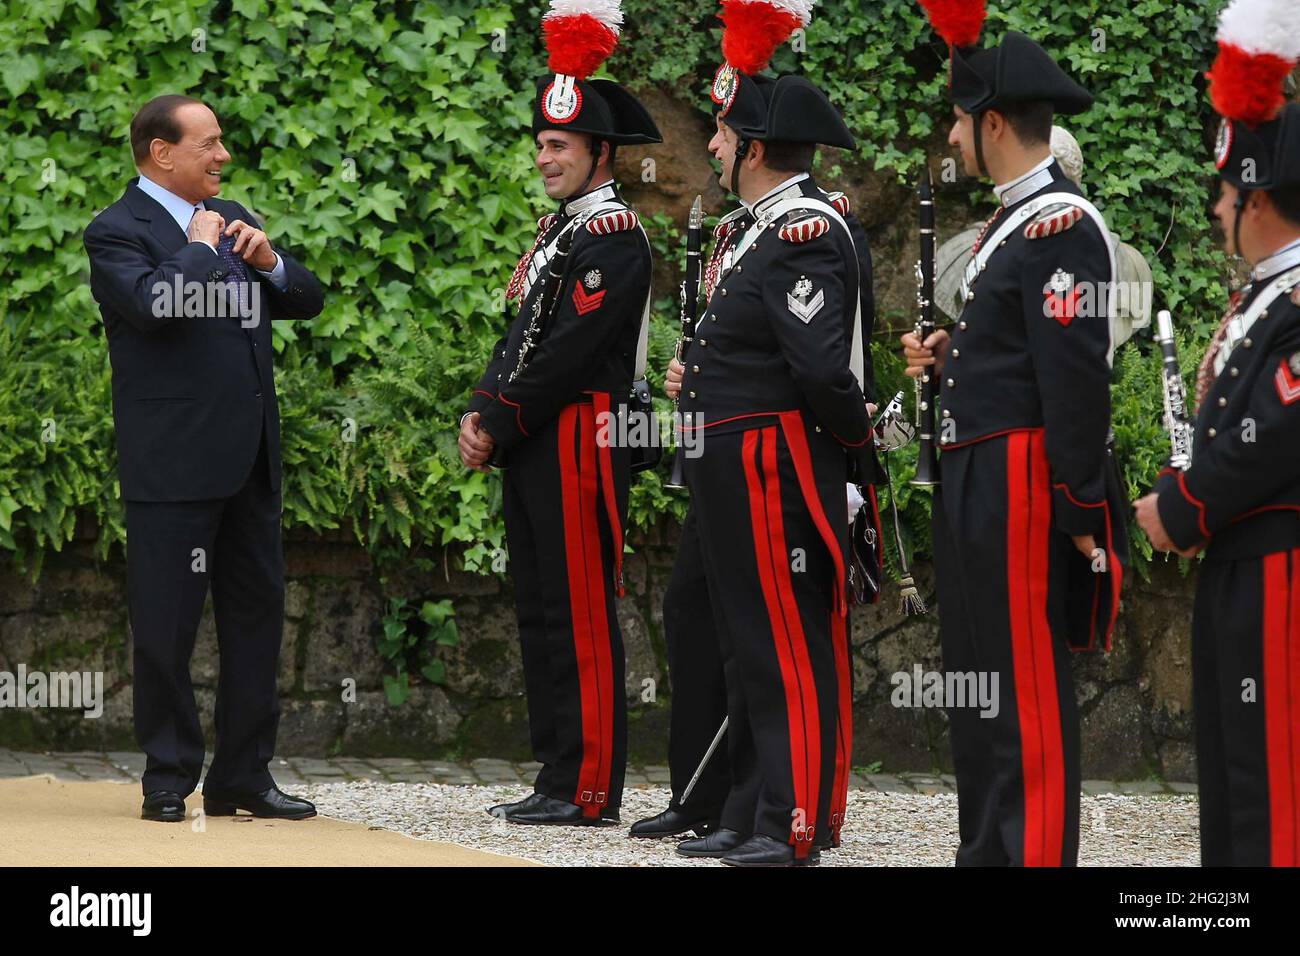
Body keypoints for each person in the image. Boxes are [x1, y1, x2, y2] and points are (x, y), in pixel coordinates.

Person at [632, 11, 881, 854]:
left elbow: (819, 372)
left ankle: (793, 821)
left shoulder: (806, 231)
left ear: (758, 146)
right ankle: (748, 808)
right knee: (746, 650)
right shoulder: (760, 232)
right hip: (734, 461)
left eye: (724, 132)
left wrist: (857, 456)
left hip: (775, 462)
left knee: (783, 649)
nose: (710, 145)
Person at [900, 1, 1127, 866]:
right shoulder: (1012, 223)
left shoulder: (1060, 224)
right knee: (981, 680)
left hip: (1024, 481)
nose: (952, 138)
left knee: (1022, 686)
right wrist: (956, 349)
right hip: (978, 476)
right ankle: (988, 850)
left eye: (960, 120)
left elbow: (1073, 379)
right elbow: (1023, 345)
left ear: (993, 121)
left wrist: (1076, 503)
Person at [83, 94, 324, 822]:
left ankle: (242, 776)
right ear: (163, 153)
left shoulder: (235, 217)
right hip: (173, 469)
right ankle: (167, 778)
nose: (223, 156)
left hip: (250, 463)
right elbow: (156, 304)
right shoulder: (115, 231)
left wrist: (272, 261)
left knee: (256, 623)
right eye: (209, 143)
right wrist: (197, 244)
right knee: (166, 628)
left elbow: (308, 300)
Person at [457, 0, 662, 827]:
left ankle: (589, 788)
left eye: (559, 147)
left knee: (579, 608)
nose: (544, 159)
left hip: (582, 434)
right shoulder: (562, 230)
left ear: (600, 154)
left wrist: (501, 419)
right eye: (541, 144)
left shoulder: (611, 234)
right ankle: (555, 771)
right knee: (541, 605)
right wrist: (482, 409)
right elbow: (522, 338)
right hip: (543, 434)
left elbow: (571, 352)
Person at [1134, 0, 1300, 866]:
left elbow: (1275, 431)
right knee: (1233, 759)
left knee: (1268, 768)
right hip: (1245, 559)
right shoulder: (1268, 295)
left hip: (1278, 562)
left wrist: (1183, 505)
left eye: (1225, 192)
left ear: (1259, 198)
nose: (1213, 209)